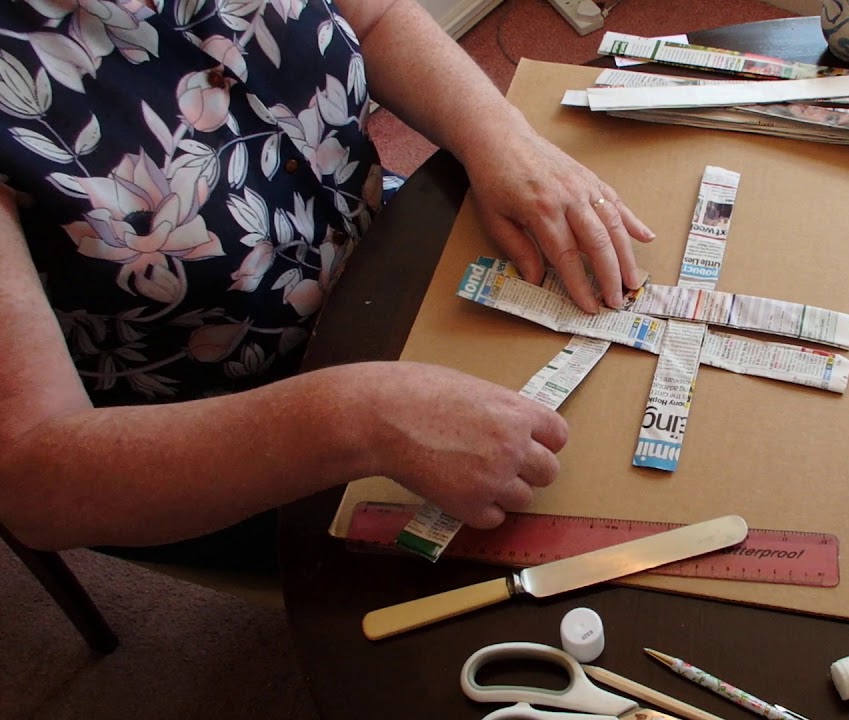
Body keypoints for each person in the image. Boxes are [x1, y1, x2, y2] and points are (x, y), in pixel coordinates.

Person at [0, 0, 655, 564]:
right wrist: (355, 419)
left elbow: (373, 18)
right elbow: (30, 480)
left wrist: (503, 140)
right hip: (224, 433)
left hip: (388, 252)